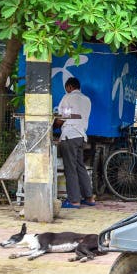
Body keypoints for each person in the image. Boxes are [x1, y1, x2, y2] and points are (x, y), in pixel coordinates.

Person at [54, 77, 95, 209]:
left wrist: (53, 124)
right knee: (80, 167)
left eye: (66, 88)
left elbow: (63, 117)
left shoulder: (68, 98)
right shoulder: (86, 99)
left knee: (70, 169)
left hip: (70, 135)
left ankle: (74, 201)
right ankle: (89, 197)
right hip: (81, 136)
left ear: (69, 87)